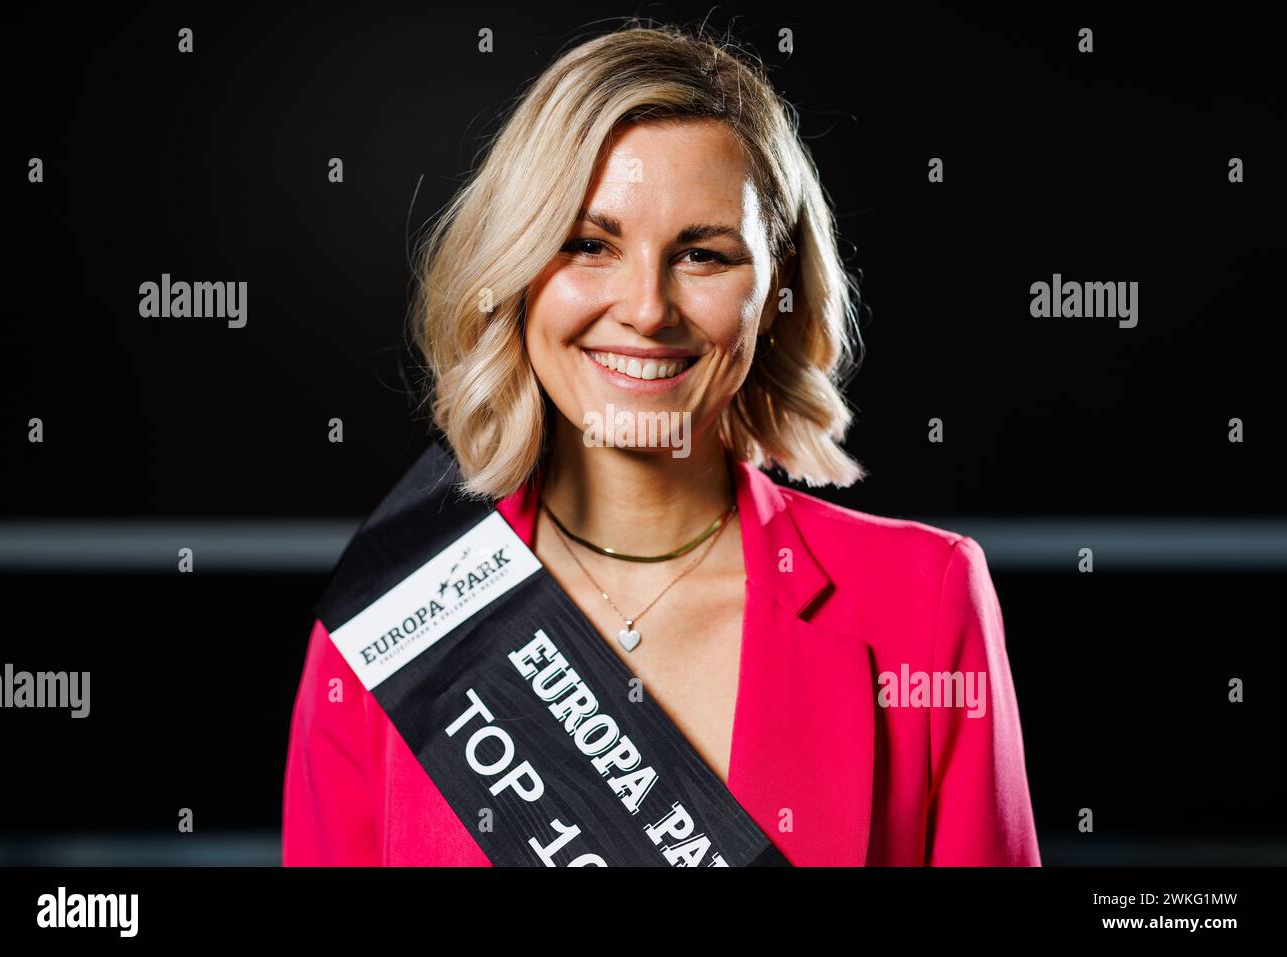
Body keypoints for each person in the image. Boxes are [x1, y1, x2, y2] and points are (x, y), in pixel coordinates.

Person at [282, 21, 1040, 866]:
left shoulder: (922, 604)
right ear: (515, 266)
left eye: (704, 255)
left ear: (777, 290)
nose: (647, 309)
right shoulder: (403, 604)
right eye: (589, 244)